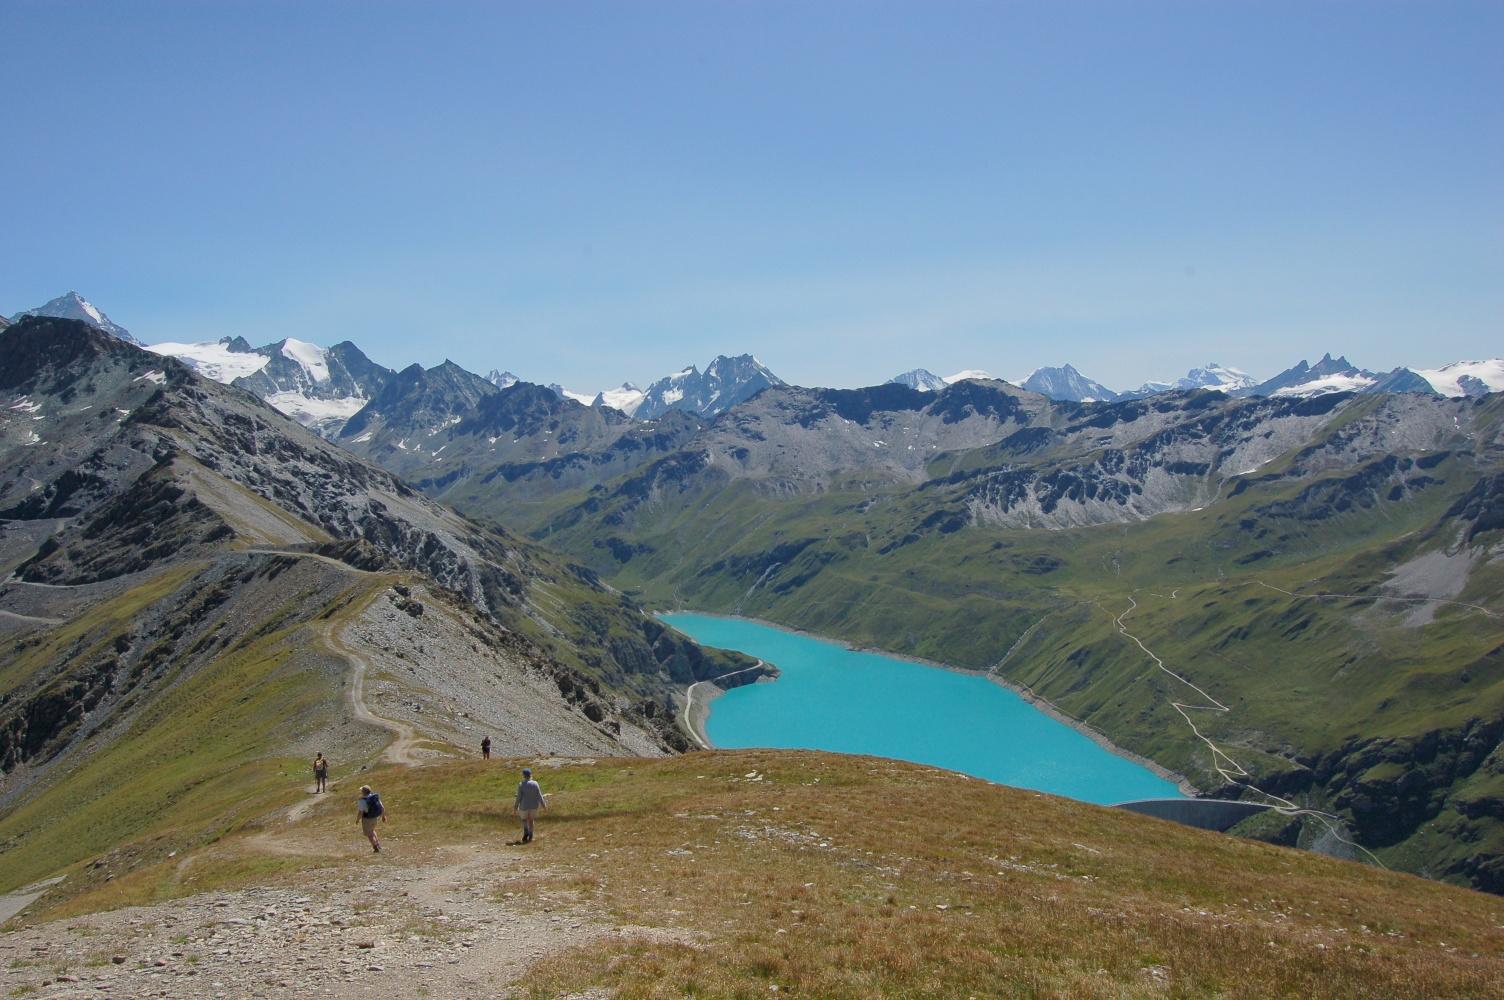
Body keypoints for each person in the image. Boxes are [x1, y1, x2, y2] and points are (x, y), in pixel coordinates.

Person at [514, 768, 546, 843]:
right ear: (530, 775)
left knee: (524, 819)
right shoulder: (535, 783)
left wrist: (515, 807)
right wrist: (544, 805)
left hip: (524, 806)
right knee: (531, 820)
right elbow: (539, 795)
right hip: (534, 806)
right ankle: (531, 835)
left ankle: (526, 831)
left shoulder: (521, 784)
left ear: (523, 775)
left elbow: (518, 798)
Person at [357, 785, 385, 853]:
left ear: (363, 792)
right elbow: (382, 807)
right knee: (372, 830)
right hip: (375, 817)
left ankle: (375, 848)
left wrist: (358, 820)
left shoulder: (362, 800)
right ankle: (378, 844)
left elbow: (360, 812)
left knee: (369, 834)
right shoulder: (375, 797)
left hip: (367, 819)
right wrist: (383, 816)